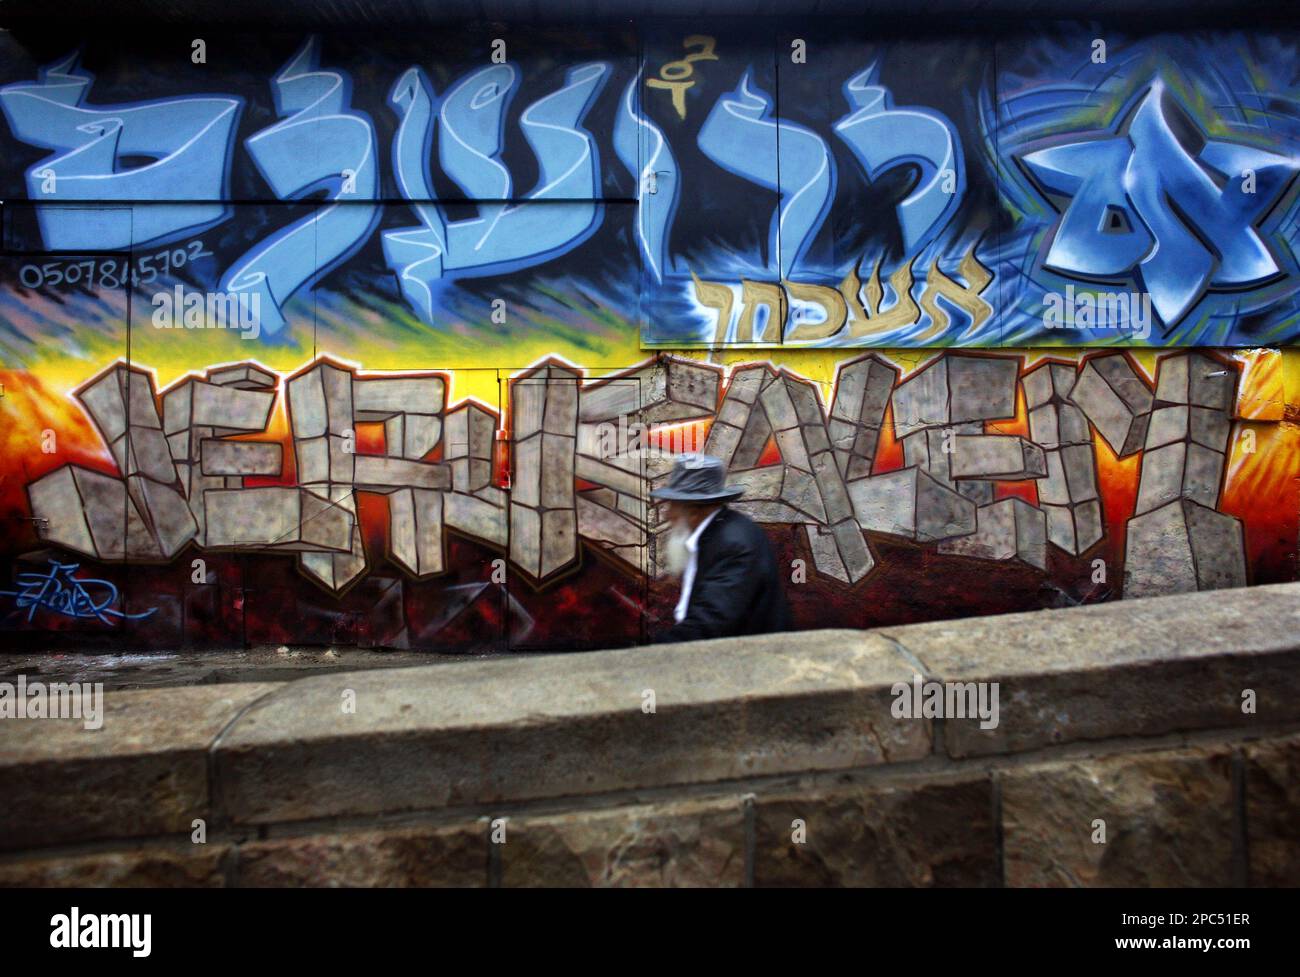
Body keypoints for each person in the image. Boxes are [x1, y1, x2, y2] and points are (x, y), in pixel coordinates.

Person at [650, 453, 793, 643]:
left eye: (672, 506)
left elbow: (708, 624)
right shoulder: (716, 532)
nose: (668, 515)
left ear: (693, 511)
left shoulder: (733, 545)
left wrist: (647, 654)